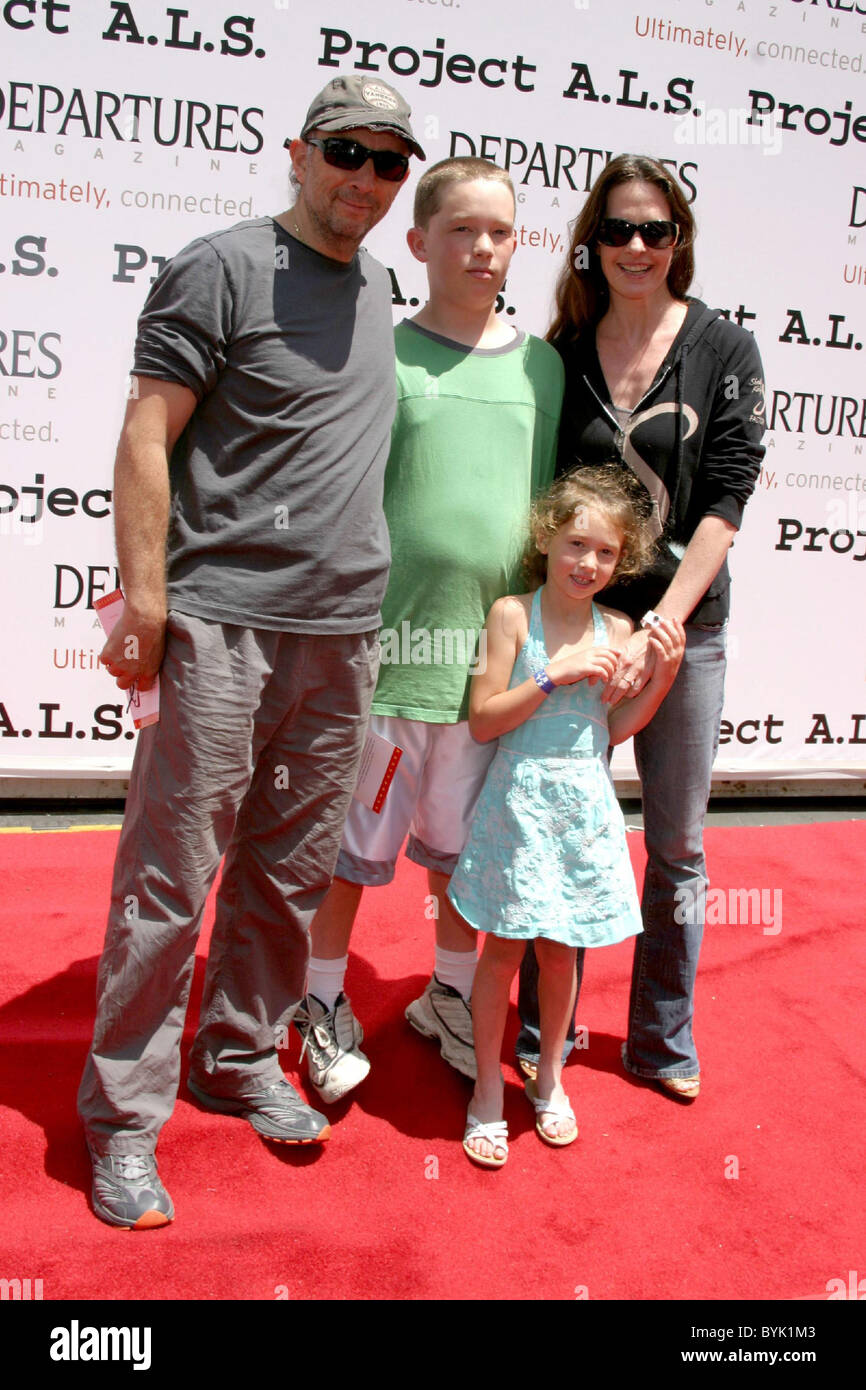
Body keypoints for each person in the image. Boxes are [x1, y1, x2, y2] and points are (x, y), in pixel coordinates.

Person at [77, 74, 425, 1229]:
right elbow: (145, 435)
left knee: (287, 871)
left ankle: (234, 1058)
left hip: (340, 636)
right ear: (297, 151)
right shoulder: (217, 267)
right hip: (222, 622)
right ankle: (123, 1120)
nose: (365, 178)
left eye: (388, 161)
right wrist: (146, 601)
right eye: (346, 152)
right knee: (171, 880)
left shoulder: (382, 281)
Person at [295, 157, 564, 1101]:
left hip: (485, 679)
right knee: (350, 854)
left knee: (461, 854)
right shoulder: (385, 355)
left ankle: (448, 995)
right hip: (387, 663)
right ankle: (321, 1002)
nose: (483, 247)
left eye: (499, 230)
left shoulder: (542, 367)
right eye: (461, 229)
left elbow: (541, 517)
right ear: (418, 243)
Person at [516, 154, 766, 1101]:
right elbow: (543, 499)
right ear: (592, 242)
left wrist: (663, 621)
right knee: (560, 826)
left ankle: (661, 1038)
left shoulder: (725, 351)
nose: (635, 246)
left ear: (679, 243)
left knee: (679, 845)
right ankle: (546, 1028)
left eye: (655, 230)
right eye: (617, 229)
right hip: (579, 631)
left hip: (683, 633)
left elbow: (726, 500)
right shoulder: (563, 353)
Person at [450, 468, 685, 1166]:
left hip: (582, 805)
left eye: (606, 553)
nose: (588, 563)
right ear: (547, 538)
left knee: (560, 952)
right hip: (517, 804)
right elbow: (483, 723)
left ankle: (549, 1075)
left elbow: (611, 730)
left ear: (623, 562)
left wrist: (663, 676)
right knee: (502, 951)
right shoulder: (511, 616)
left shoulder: (617, 626)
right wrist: (556, 671)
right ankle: (487, 1085)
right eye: (577, 544)